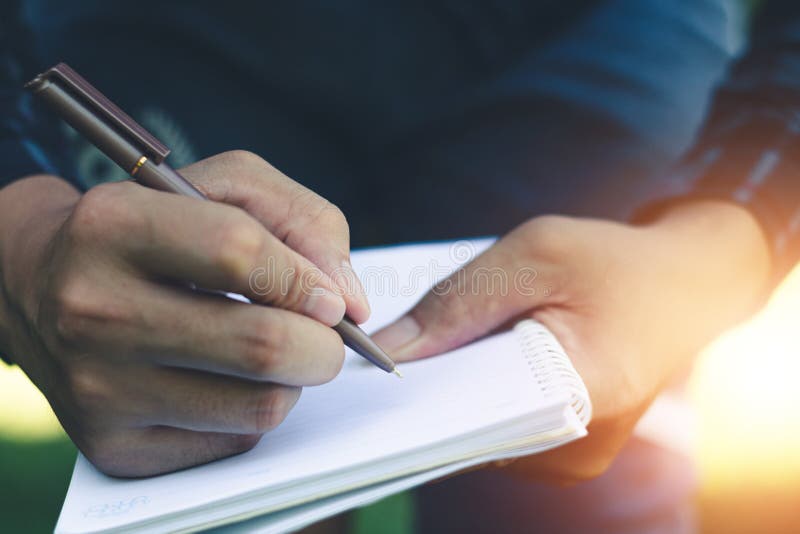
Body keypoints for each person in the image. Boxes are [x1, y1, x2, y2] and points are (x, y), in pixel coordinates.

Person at [0, 0, 797, 531]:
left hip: (594, 32)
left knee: (587, 473)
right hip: (168, 34)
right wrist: (20, 232)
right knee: (226, 452)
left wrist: (715, 247)